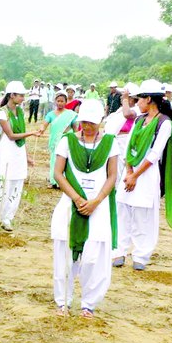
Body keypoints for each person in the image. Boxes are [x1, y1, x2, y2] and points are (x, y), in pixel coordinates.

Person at [113, 79, 172, 270]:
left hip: (147, 174)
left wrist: (135, 176)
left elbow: (155, 153)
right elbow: (129, 146)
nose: (137, 102)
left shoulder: (164, 123)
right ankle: (119, 251)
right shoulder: (139, 120)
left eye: (139, 99)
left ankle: (141, 255)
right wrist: (129, 171)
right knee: (123, 210)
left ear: (149, 99)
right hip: (130, 171)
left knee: (144, 216)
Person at [50, 100, 118, 318]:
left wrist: (96, 201)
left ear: (100, 121)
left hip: (98, 206)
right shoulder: (67, 141)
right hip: (70, 204)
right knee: (64, 255)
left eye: (92, 123)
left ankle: (88, 304)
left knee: (93, 257)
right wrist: (77, 198)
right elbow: (58, 173)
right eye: (84, 122)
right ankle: (63, 302)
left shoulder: (110, 142)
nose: (87, 127)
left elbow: (112, 176)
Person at [0, 81, 42, 231]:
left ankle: (7, 218)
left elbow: (21, 139)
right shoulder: (2, 113)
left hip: (18, 152)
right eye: (20, 95)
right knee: (2, 184)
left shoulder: (19, 112)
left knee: (16, 185)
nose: (22, 98)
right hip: (6, 151)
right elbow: (11, 135)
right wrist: (32, 133)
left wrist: (27, 156)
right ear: (12, 95)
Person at [41, 91, 78, 188]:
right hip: (55, 141)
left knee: (66, 160)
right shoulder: (50, 114)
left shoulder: (70, 114)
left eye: (62, 101)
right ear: (55, 102)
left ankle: (65, 182)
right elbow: (44, 124)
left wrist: (77, 139)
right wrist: (41, 130)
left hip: (67, 139)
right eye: (58, 101)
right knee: (54, 159)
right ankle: (53, 181)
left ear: (66, 102)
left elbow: (75, 127)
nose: (60, 103)